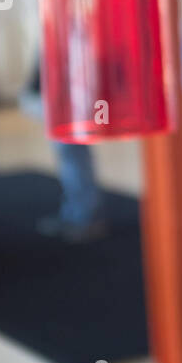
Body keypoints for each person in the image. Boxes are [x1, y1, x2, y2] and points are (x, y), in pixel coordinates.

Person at [24, 61, 107, 243]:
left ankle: (83, 217)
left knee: (72, 153)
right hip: (63, 91)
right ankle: (76, 213)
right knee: (70, 153)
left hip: (70, 92)